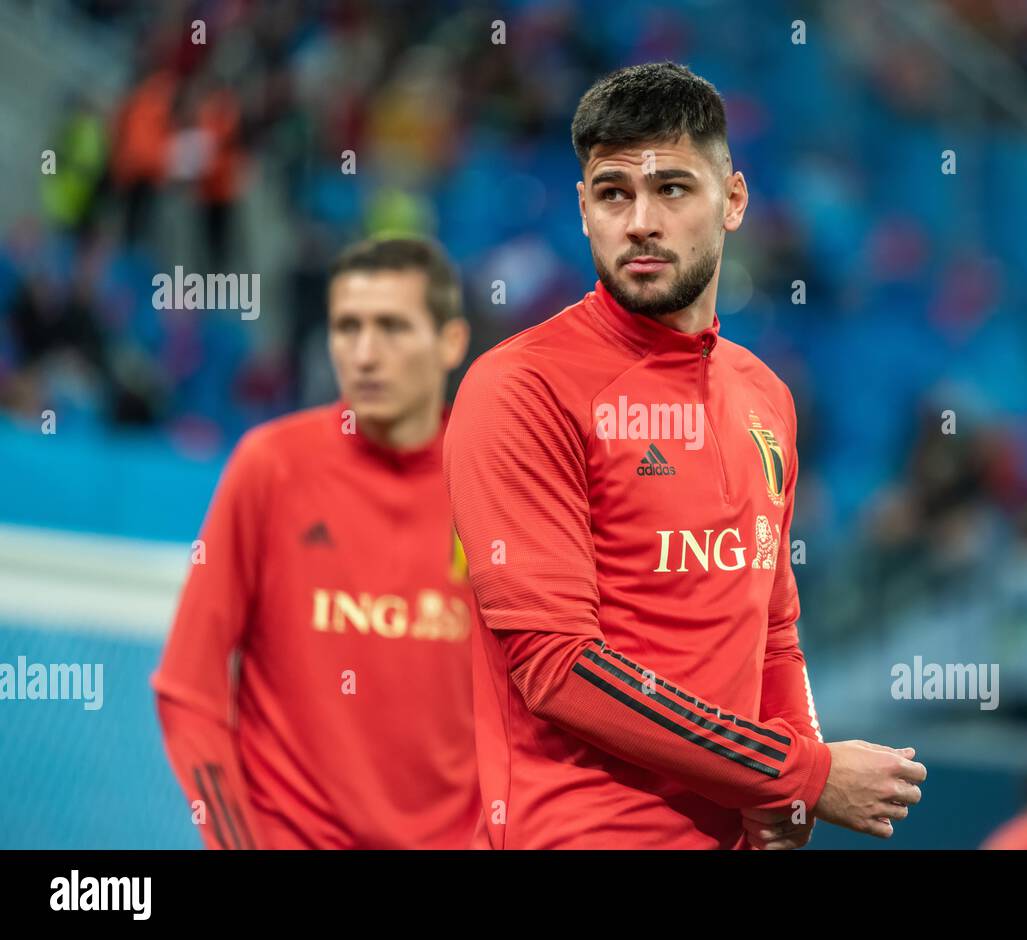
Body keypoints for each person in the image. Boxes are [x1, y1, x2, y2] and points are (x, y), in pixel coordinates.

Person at [444, 62, 925, 849]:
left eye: (672, 188)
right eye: (612, 194)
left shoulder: (766, 396)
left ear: (732, 200)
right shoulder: (519, 389)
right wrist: (801, 773)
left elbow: (774, 626)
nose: (640, 221)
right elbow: (558, 666)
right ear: (584, 211)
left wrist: (787, 792)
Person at [153, 236, 479, 848]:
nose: (364, 354)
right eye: (346, 328)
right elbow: (186, 690)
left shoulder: (498, 486)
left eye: (392, 328)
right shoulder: (271, 468)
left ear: (451, 342)